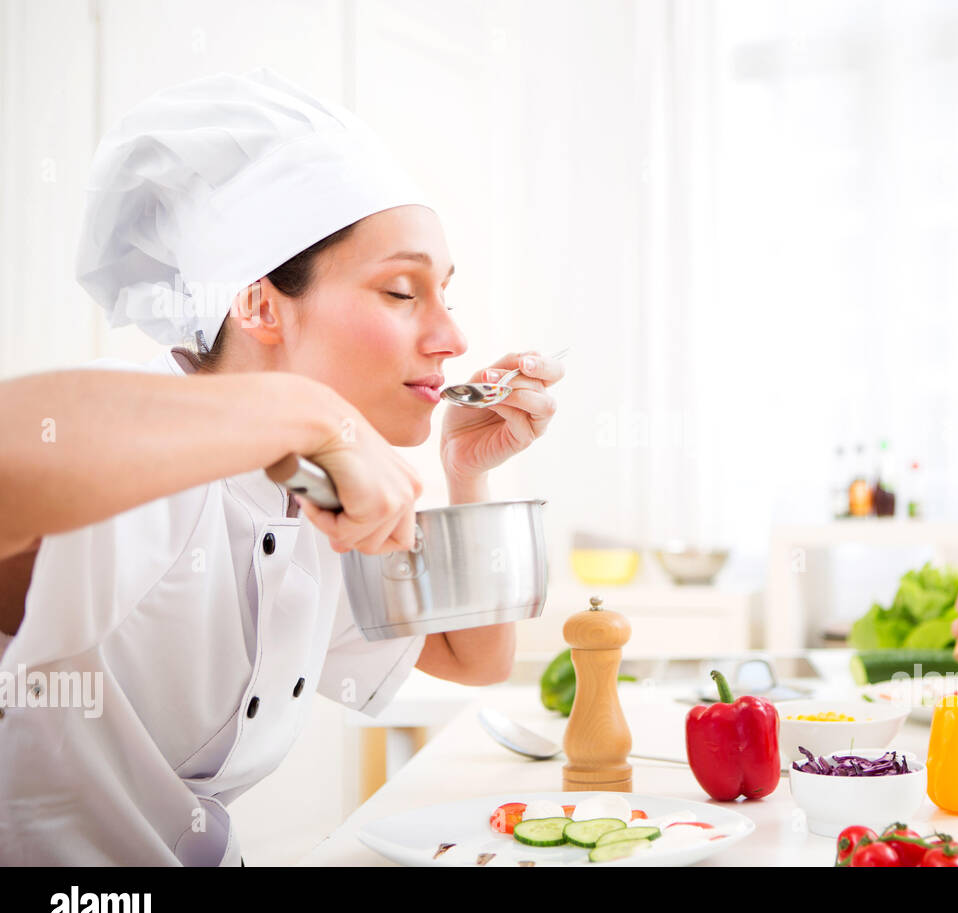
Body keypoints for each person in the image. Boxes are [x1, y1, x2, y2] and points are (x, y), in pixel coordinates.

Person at [0, 68, 563, 864]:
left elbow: (475, 658)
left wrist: (465, 470)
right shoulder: (139, 445)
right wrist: (314, 414)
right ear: (260, 304)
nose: (452, 336)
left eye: (446, 293)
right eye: (403, 292)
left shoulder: (314, 485)